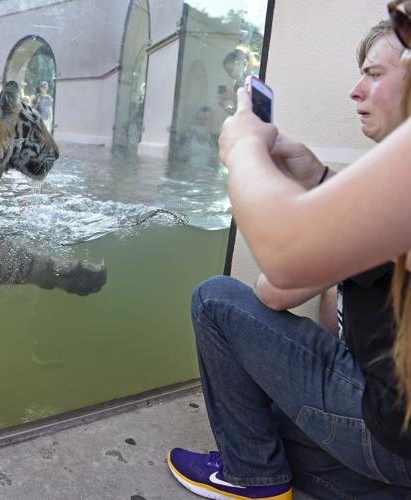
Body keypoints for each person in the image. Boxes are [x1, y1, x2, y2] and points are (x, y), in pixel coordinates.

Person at [167, 15, 411, 499]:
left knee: (215, 300)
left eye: (376, 74)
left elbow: (279, 275)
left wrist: (244, 153)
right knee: (274, 421)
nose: (356, 91)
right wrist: (319, 178)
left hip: (392, 437)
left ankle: (251, 478)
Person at [177, 106, 220, 170]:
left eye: (206, 119)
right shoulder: (187, 136)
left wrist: (210, 142)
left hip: (207, 174)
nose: (203, 122)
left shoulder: (216, 139)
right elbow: (180, 158)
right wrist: (189, 139)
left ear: (211, 121)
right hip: (189, 171)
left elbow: (217, 163)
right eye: (200, 118)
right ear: (196, 120)